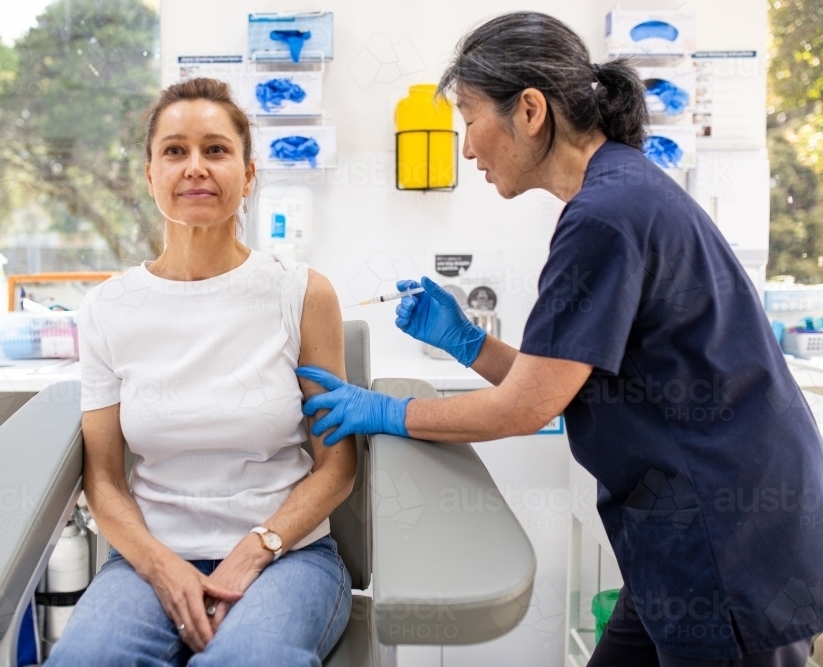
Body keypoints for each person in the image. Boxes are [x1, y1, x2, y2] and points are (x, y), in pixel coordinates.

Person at [297, 11, 823, 667]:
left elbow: (524, 408)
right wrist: (468, 344)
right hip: (687, 532)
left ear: (530, 110)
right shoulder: (619, 192)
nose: (466, 147)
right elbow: (552, 383)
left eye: (468, 116)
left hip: (725, 537)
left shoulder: (604, 217)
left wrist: (388, 411)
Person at [46, 77, 355, 667]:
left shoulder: (301, 295)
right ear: (149, 175)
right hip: (148, 558)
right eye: (174, 151)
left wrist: (256, 548)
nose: (195, 167)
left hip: (289, 557)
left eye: (216, 150)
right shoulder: (109, 308)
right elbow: (104, 480)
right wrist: (161, 565)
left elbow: (337, 467)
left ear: (249, 173)